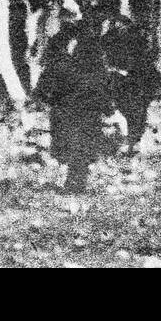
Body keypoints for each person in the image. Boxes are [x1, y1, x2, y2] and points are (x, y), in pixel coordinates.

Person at [35, 13, 110, 193]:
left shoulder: (61, 63)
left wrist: (52, 101)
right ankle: (77, 181)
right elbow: (104, 86)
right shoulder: (95, 64)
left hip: (67, 111)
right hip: (87, 110)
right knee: (83, 146)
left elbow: (40, 91)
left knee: (73, 146)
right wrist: (106, 106)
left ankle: (73, 182)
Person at [103, 14, 159, 151]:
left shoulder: (131, 39)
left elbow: (141, 60)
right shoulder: (119, 38)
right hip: (129, 79)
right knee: (132, 110)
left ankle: (133, 140)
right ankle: (132, 140)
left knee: (133, 110)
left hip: (135, 79)